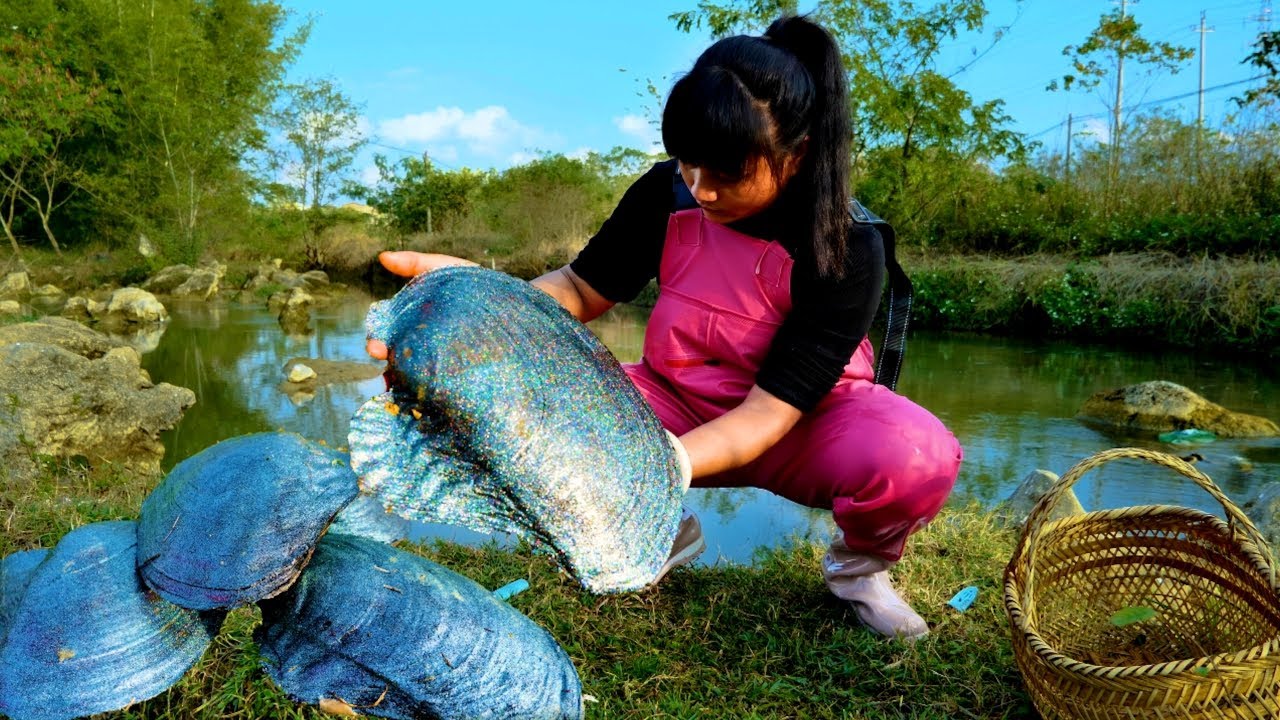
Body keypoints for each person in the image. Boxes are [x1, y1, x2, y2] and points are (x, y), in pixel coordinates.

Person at [367, 14, 962, 640]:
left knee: (917, 456)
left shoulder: (847, 246)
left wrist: (653, 466)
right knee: (506, 401)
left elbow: (766, 416)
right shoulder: (665, 193)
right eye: (688, 164)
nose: (700, 190)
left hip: (804, 424)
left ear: (797, 155)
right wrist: (478, 303)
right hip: (671, 403)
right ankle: (663, 532)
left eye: (727, 174)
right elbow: (576, 288)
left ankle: (858, 572)